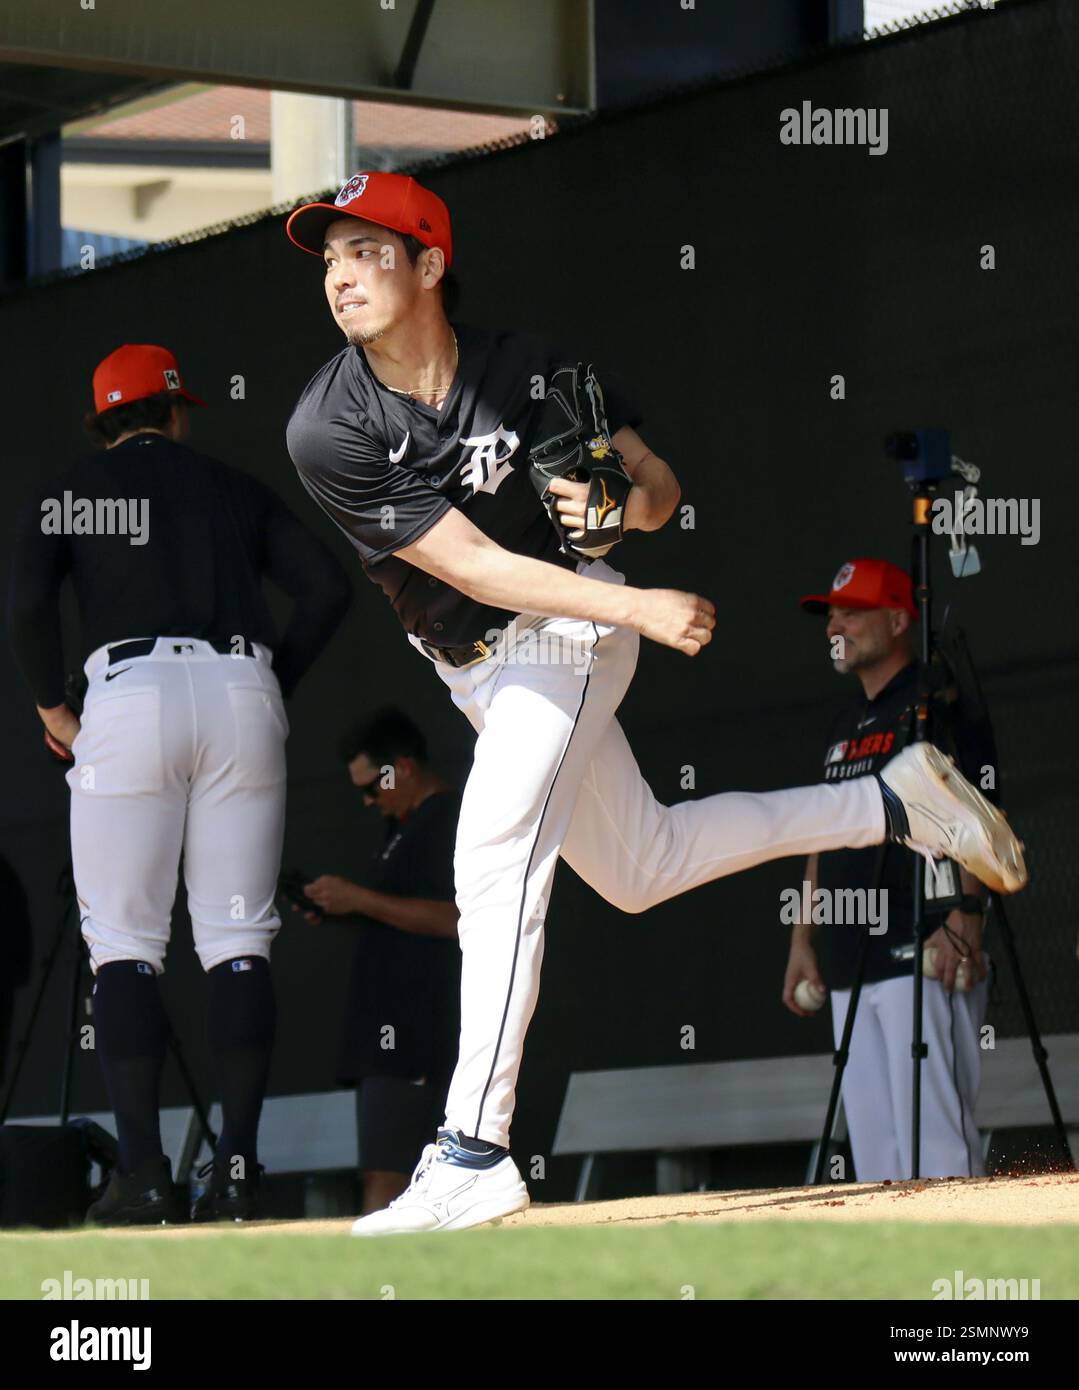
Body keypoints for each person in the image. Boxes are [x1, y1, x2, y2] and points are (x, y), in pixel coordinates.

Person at [281, 170, 1027, 1236]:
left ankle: (472, 1150)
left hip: (567, 642)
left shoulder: (532, 369)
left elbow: (659, 485)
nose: (341, 276)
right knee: (643, 867)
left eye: (367, 251)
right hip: (497, 652)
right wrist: (632, 602)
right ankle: (892, 806)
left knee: (492, 853)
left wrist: (623, 507)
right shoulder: (327, 424)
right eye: (331, 258)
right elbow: (479, 567)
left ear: (430, 263)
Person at [6, 344, 351, 1224]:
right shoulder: (231, 486)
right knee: (239, 936)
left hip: (126, 693)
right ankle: (236, 1170)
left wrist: (53, 712)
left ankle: (144, 1176)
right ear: (175, 410)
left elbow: (28, 605)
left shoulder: (74, 491)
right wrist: (268, 682)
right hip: (239, 689)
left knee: (124, 944)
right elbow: (324, 590)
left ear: (102, 421)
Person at [783, 558, 995, 1180]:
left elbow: (978, 816)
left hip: (920, 949)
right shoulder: (844, 724)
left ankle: (966, 1273)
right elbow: (820, 836)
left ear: (900, 619)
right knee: (878, 1165)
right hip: (849, 964)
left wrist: (967, 915)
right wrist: (802, 940)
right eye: (830, 615)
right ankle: (901, 1275)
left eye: (850, 612)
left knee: (939, 1155)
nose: (833, 627)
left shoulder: (933, 704)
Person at [297, 709, 461, 1215]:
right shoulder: (399, 829)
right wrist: (344, 911)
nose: (370, 801)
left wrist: (361, 901)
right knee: (383, 1170)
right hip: (387, 1040)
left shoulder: (449, 819)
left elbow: (459, 919)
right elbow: (402, 919)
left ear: (404, 766)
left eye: (374, 786)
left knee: (393, 1176)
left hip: (422, 1035)